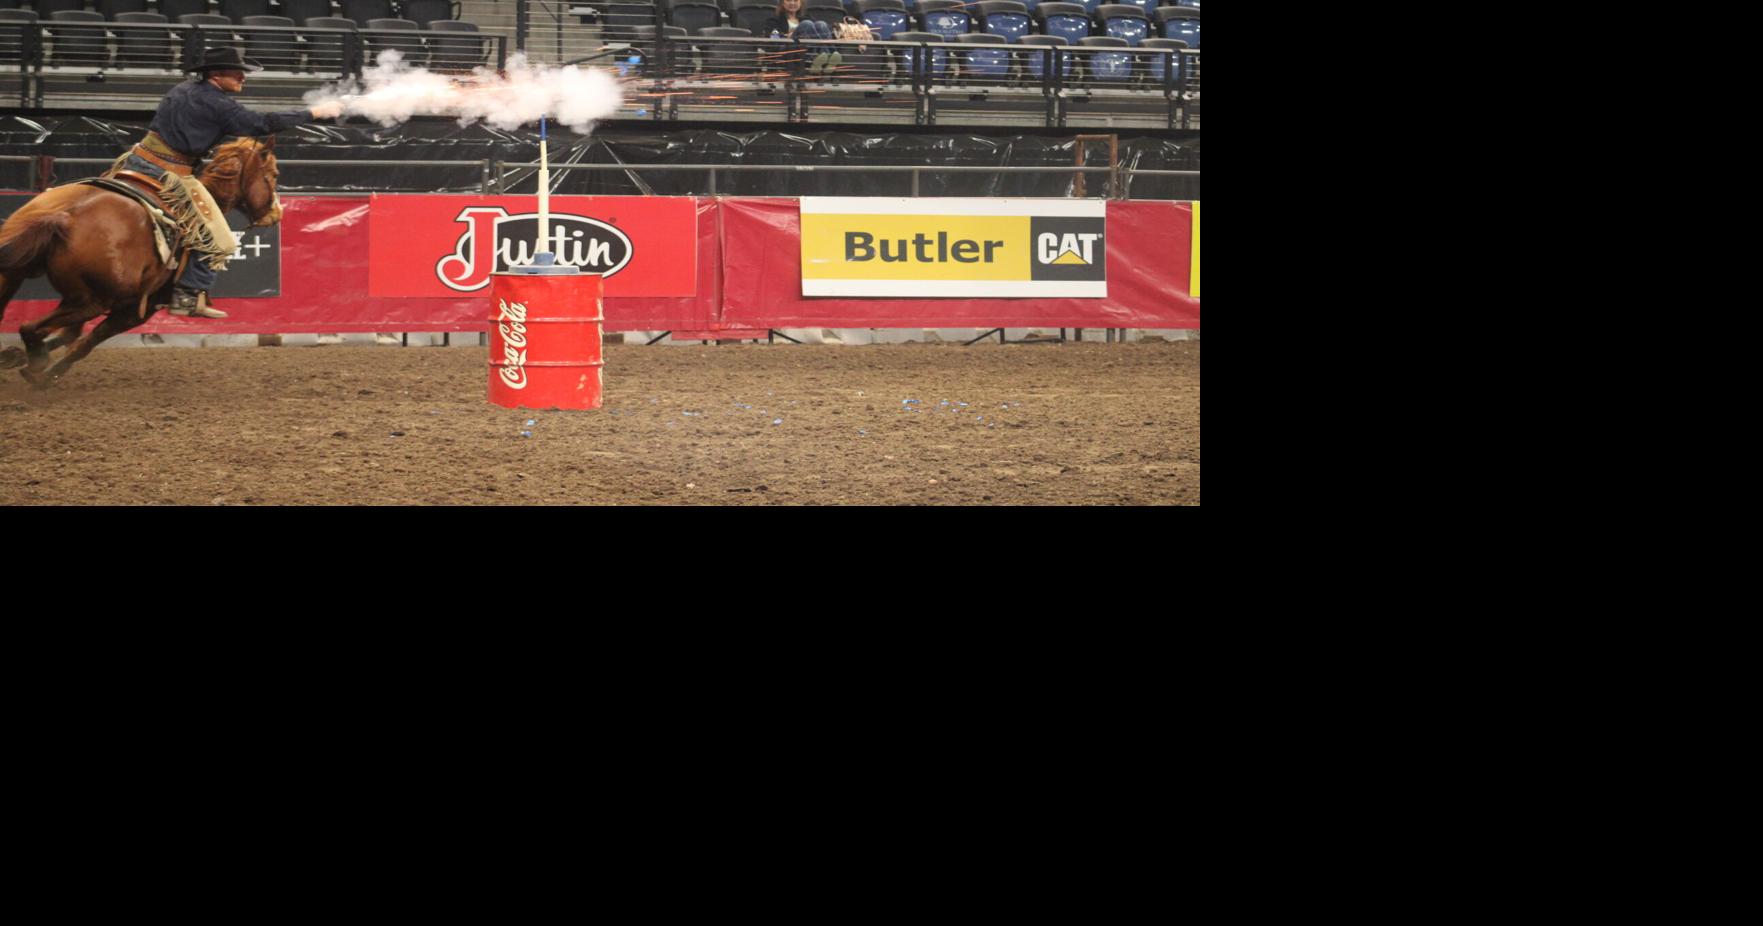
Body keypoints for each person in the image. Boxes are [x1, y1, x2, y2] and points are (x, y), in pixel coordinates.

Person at [114, 47, 344, 319]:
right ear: (217, 75)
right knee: (218, 239)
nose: (243, 78)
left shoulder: (182, 89)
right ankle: (187, 296)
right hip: (170, 174)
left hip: (134, 161)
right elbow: (261, 124)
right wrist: (314, 113)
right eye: (238, 73)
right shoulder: (220, 105)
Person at [762, 0, 842, 76]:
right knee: (807, 24)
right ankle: (828, 54)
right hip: (788, 48)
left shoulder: (806, 17)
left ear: (801, 3)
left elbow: (817, 32)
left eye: (796, 0)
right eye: (788, 0)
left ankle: (826, 57)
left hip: (808, 48)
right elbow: (774, 37)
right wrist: (786, 36)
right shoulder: (774, 20)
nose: (792, 3)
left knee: (821, 24)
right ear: (782, 3)